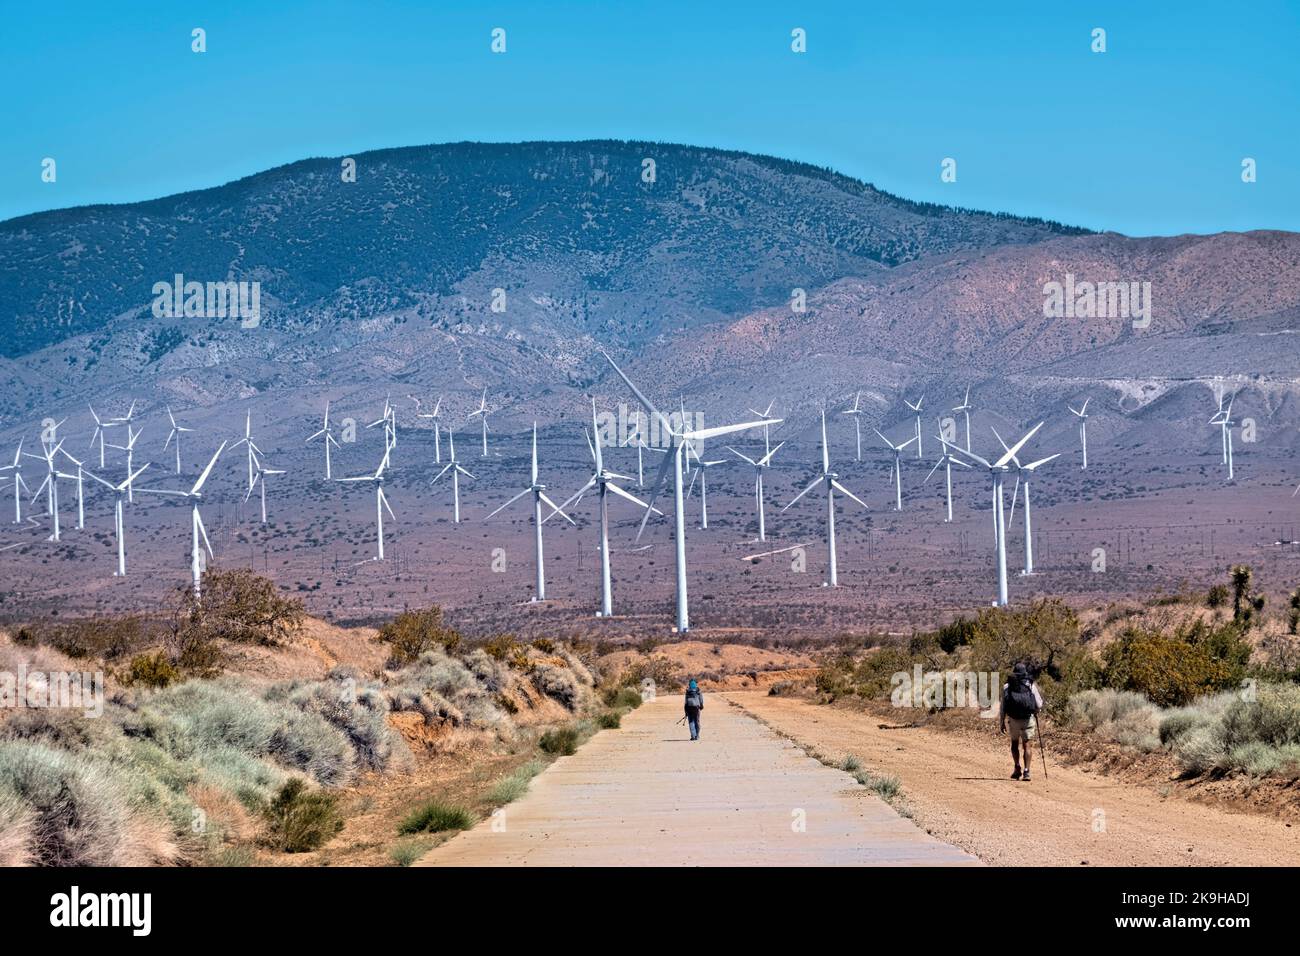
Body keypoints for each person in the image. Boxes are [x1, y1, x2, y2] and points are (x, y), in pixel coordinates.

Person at [999, 663, 1043, 781]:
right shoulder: (1030, 685)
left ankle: (1017, 767)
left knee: (1014, 744)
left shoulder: (1007, 686)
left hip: (1013, 720)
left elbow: (1003, 706)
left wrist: (1002, 721)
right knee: (1027, 744)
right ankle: (1027, 772)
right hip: (1027, 719)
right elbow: (1039, 704)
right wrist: (1036, 711)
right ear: (1025, 673)